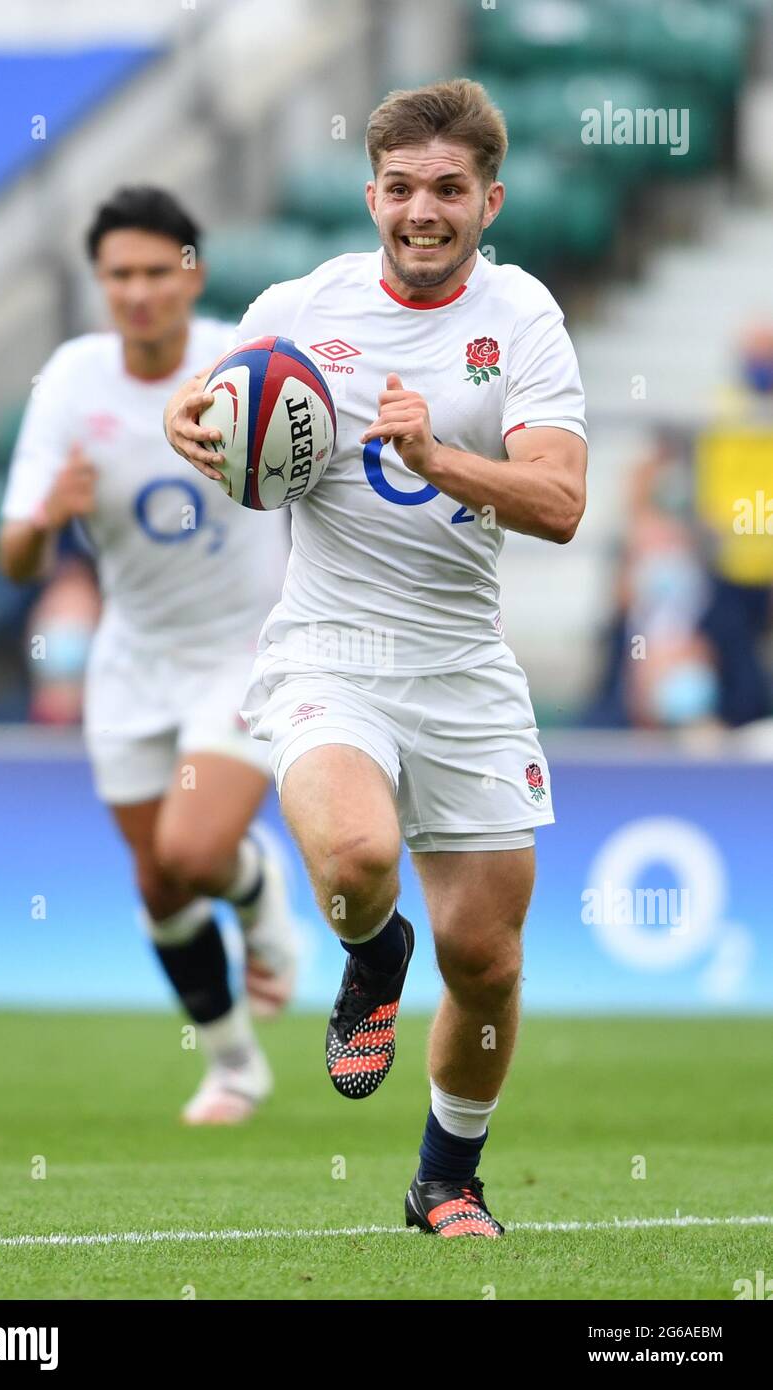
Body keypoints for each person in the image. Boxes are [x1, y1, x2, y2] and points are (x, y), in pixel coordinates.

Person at [164, 80, 587, 1234]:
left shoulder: (523, 319)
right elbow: (199, 405)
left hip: (463, 668)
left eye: (448, 189)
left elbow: (558, 501)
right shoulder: (302, 305)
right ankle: (370, 943)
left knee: (485, 958)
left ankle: (445, 1178)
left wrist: (439, 453)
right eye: (399, 188)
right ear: (370, 195)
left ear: (488, 200)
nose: (420, 211)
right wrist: (186, 427)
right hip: (327, 652)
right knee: (356, 858)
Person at [0, 186, 294, 1125]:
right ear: (99, 282)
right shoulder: (73, 381)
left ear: (191, 273)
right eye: (120, 274)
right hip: (131, 661)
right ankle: (234, 1064)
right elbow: (17, 558)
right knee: (160, 883)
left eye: (157, 271)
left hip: (245, 649)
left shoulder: (243, 367)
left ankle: (256, 887)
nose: (138, 291)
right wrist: (48, 517)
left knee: (194, 847)